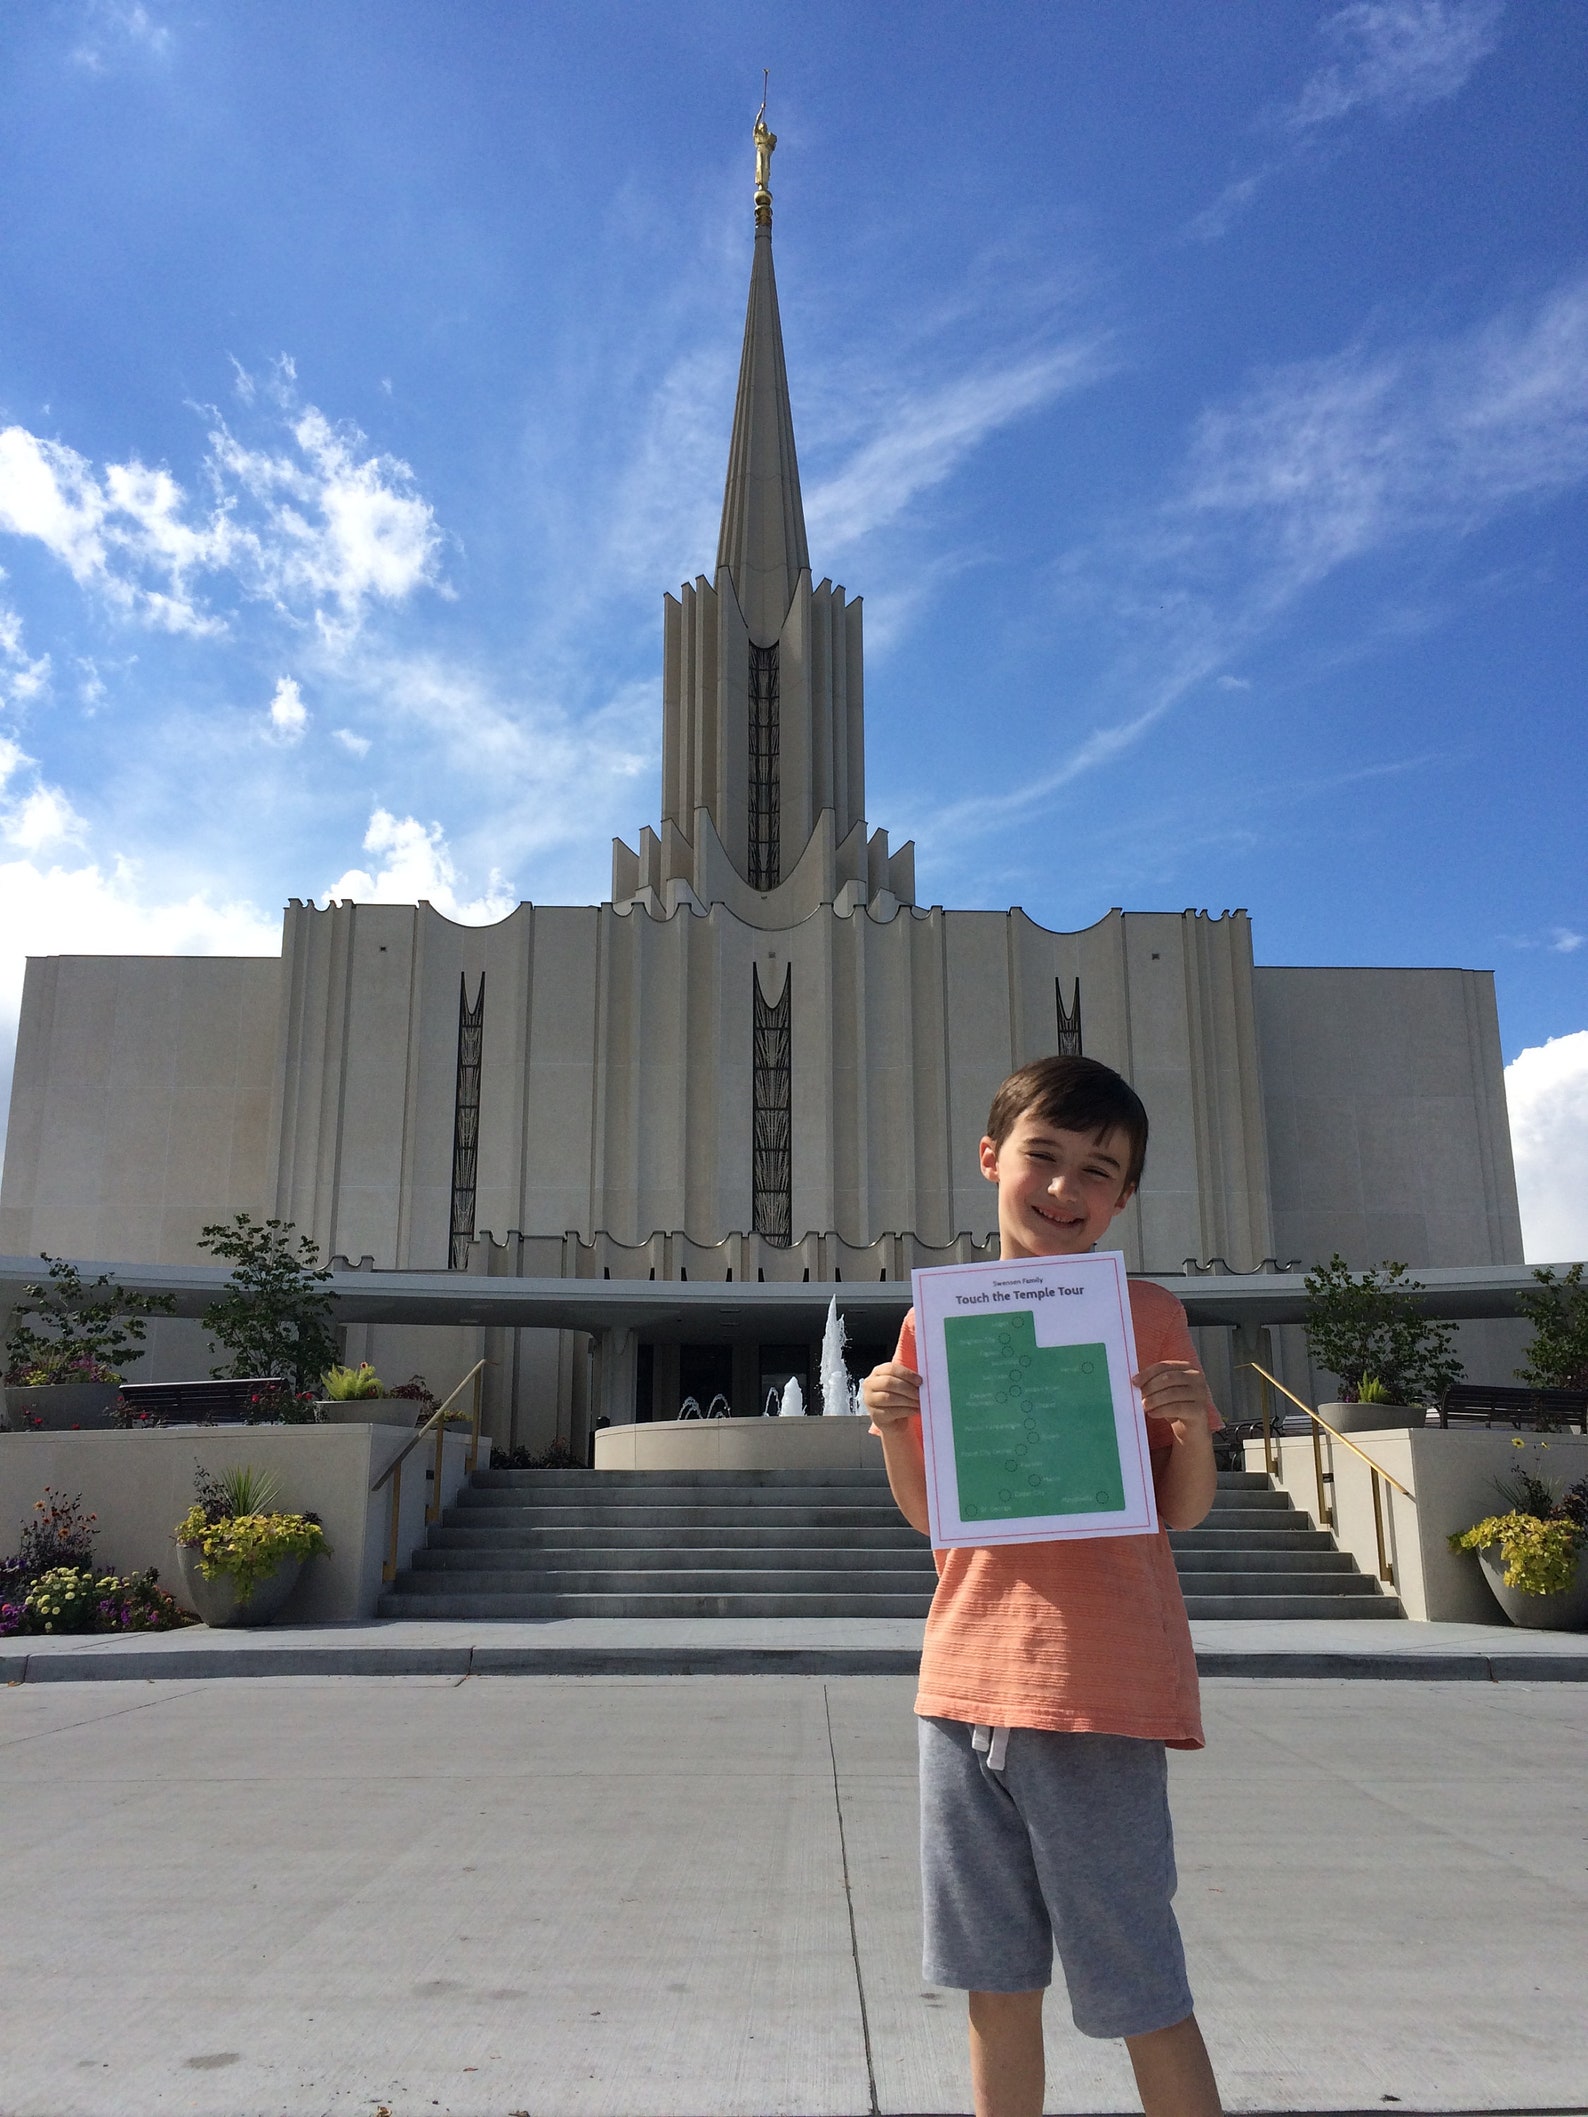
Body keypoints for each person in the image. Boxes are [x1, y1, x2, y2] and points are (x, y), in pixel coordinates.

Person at [861, 1055, 1224, 2117]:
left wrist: (1192, 1425)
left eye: (1097, 1170)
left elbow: (1182, 1507)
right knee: (993, 1975)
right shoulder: (935, 1320)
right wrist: (890, 1426)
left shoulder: (1146, 1313)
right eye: (1043, 1156)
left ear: (1125, 1195)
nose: (1064, 1187)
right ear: (991, 1159)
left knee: (1138, 1979)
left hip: (1097, 1687)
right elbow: (932, 1516)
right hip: (961, 1681)